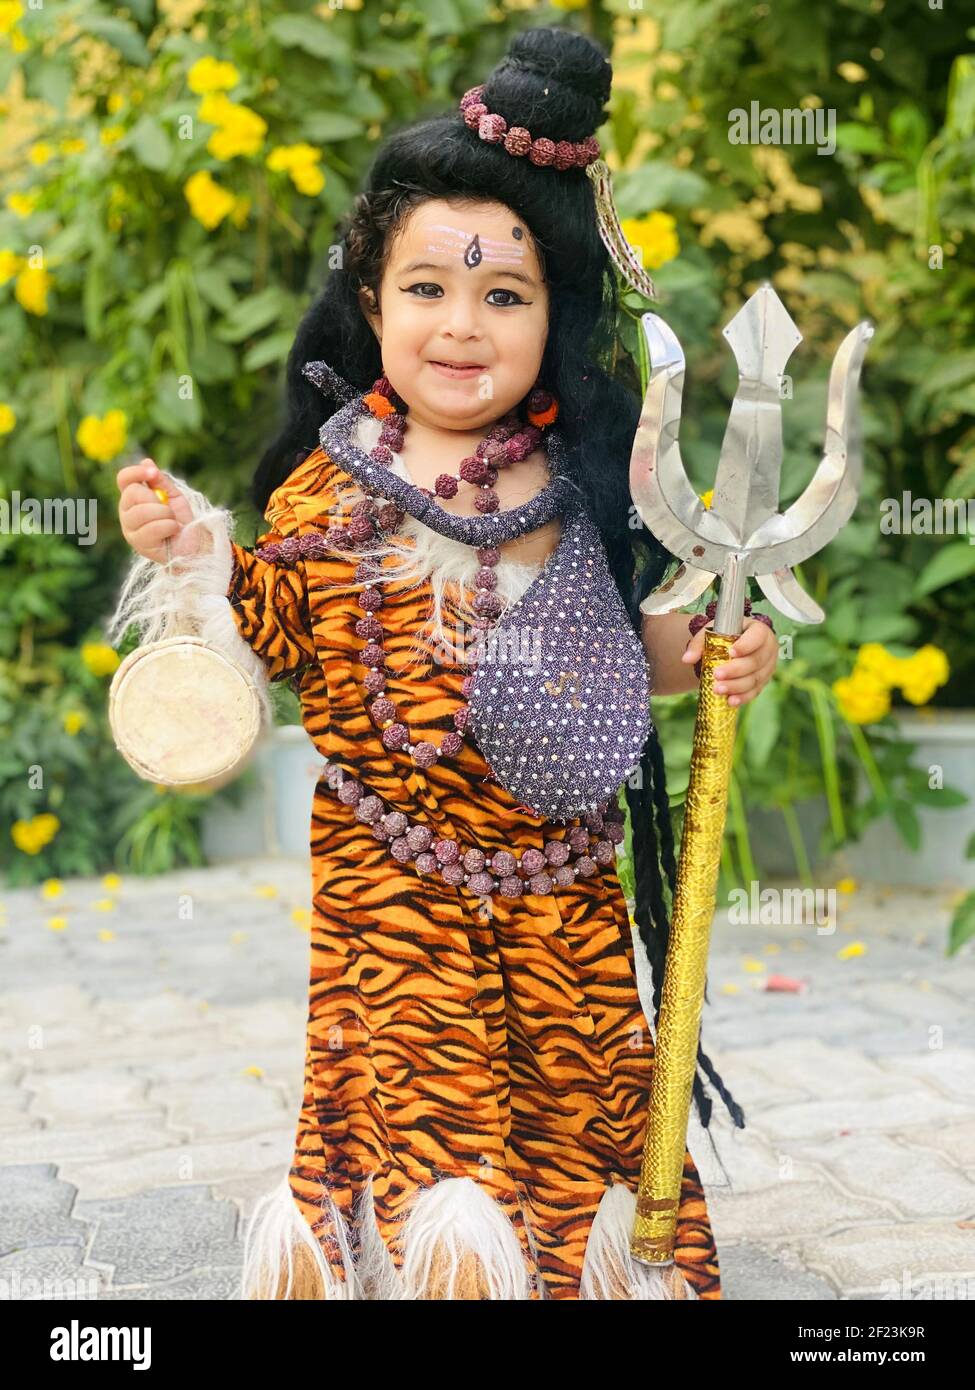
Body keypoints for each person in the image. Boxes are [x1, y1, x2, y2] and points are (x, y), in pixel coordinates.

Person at [109, 26, 779, 1301]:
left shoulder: (591, 488)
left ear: (555, 315)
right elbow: (274, 626)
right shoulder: (332, 485)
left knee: (581, 1084)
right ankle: (439, 1265)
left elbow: (613, 660)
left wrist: (706, 652)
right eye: (426, 289)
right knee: (430, 1107)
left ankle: (581, 1263)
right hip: (392, 875)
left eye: (505, 294)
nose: (461, 325)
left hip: (562, 879)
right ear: (371, 305)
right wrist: (200, 548)